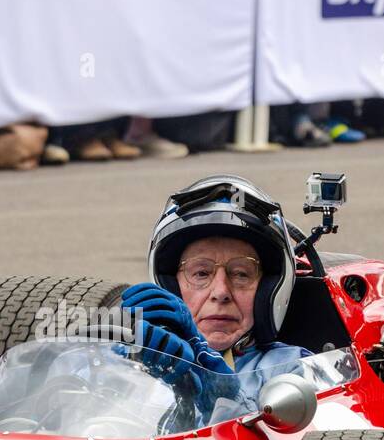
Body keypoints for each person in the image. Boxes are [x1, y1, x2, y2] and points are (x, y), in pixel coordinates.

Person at [122, 175, 312, 413]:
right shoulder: (132, 354)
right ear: (171, 285)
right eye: (201, 273)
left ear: (270, 289)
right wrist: (112, 360)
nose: (221, 292)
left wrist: (221, 395)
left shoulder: (292, 368)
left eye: (241, 274)